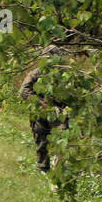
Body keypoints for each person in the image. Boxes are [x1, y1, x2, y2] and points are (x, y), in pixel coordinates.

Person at [20, 45, 69, 176]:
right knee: (42, 141)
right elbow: (24, 91)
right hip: (40, 112)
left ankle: (61, 170)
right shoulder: (36, 73)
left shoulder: (64, 74)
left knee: (62, 139)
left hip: (58, 112)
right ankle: (43, 168)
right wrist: (40, 103)